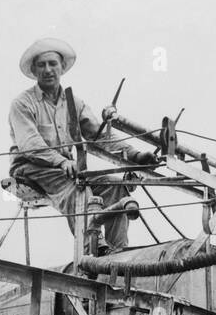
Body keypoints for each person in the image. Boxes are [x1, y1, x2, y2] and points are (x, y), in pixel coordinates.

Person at [8, 37, 158, 252]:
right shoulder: (23, 103)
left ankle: (118, 253)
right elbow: (30, 144)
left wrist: (135, 155)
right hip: (32, 167)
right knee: (78, 191)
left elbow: (99, 136)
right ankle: (92, 249)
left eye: (53, 64)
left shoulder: (73, 103)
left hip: (65, 169)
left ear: (62, 67)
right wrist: (60, 161)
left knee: (115, 186)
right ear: (34, 70)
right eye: (41, 65)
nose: (48, 70)